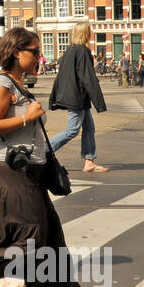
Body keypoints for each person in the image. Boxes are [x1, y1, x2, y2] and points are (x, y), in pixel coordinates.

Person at [0, 27, 83, 287]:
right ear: (16, 52)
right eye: (34, 51)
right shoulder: (1, 83)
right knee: (26, 235)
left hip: (27, 171)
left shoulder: (17, 82)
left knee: (42, 232)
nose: (39, 57)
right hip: (9, 173)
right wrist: (27, 116)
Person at [48, 20, 110, 174]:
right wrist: (99, 103)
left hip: (75, 97)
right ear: (86, 34)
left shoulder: (69, 51)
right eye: (90, 31)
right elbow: (88, 78)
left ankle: (89, 161)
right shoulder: (83, 52)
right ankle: (44, 149)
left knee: (89, 128)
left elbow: (60, 77)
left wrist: (54, 98)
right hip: (77, 98)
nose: (91, 33)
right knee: (72, 130)